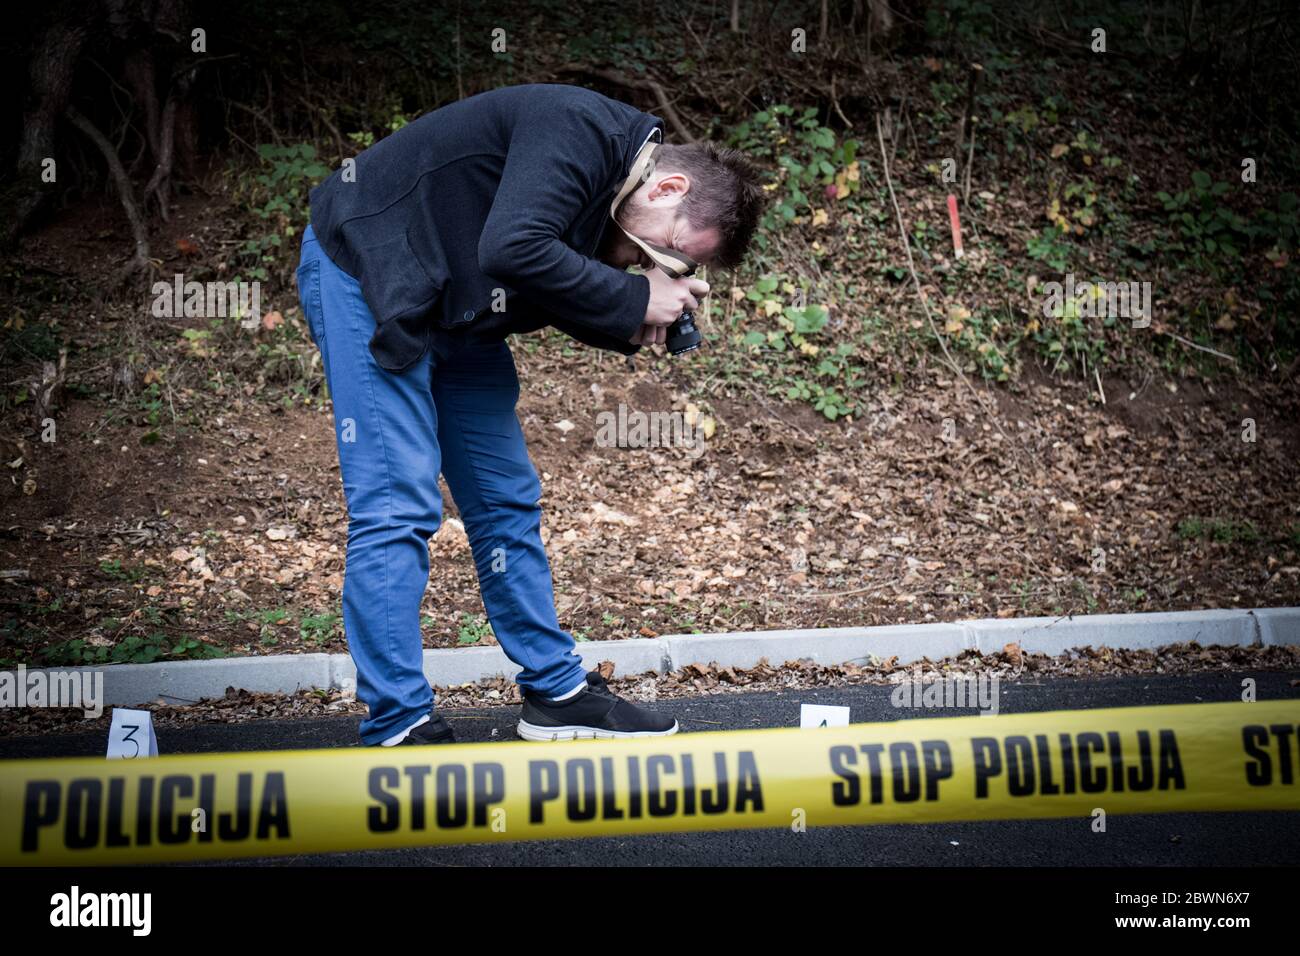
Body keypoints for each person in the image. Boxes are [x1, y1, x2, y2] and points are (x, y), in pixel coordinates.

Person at [295, 83, 764, 745]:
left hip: (459, 302)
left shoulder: (614, 198)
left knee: (505, 499)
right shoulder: (574, 128)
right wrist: (634, 300)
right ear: (667, 188)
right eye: (666, 256)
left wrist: (641, 318)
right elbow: (515, 249)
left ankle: (557, 692)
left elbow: (551, 283)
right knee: (397, 502)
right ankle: (398, 720)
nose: (650, 267)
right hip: (368, 266)